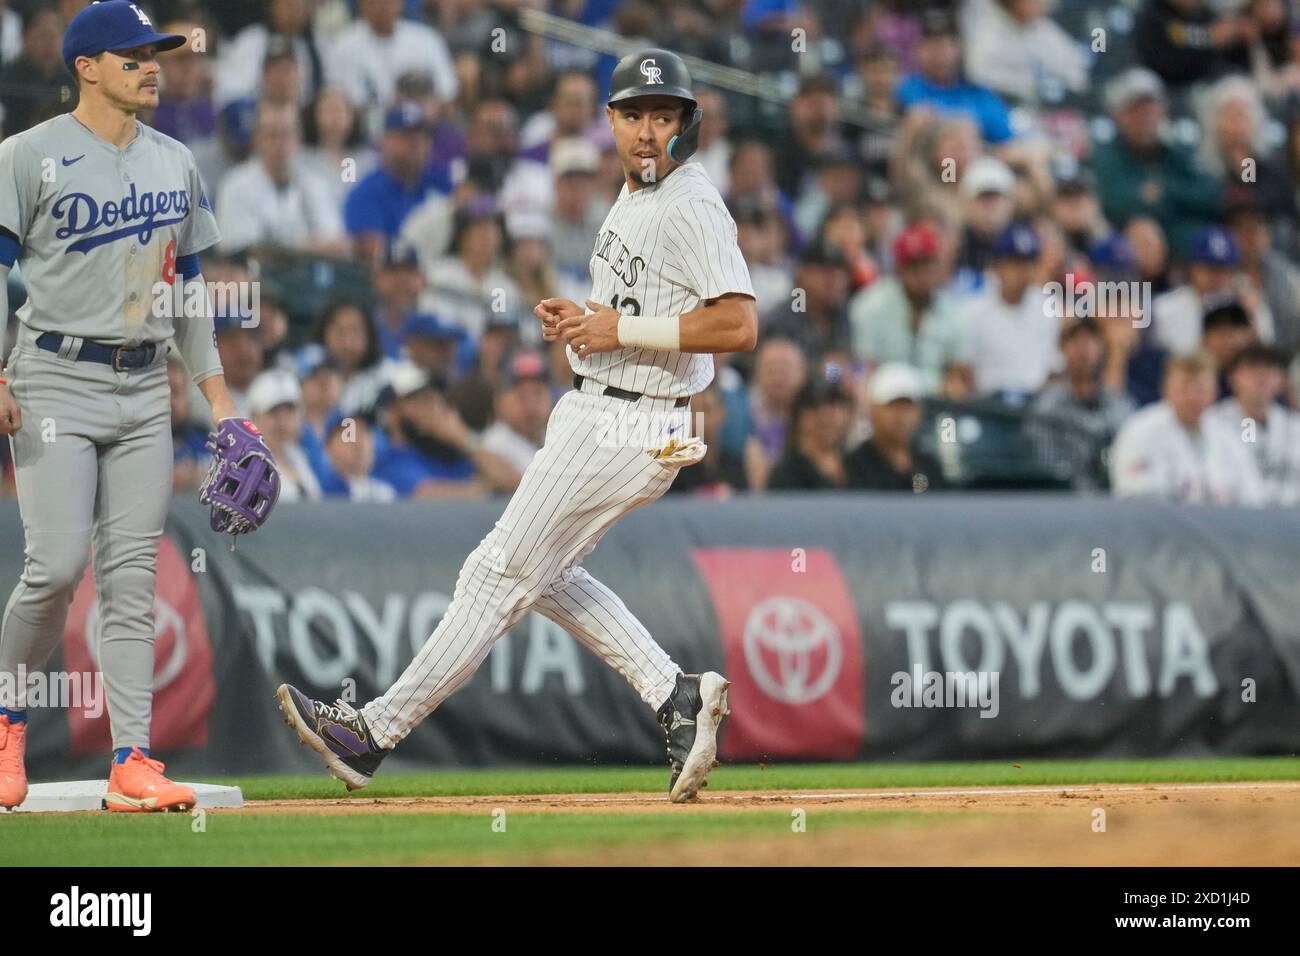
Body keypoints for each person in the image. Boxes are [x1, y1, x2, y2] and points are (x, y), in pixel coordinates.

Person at [277, 49, 756, 804]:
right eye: (634, 113)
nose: (648, 130)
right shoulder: (633, 197)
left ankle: (371, 734)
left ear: (686, 125)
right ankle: (676, 696)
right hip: (612, 405)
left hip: (632, 419)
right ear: (610, 121)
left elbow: (737, 324)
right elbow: (629, 314)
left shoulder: (689, 201)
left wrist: (621, 336)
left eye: (665, 116)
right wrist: (584, 321)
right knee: (543, 574)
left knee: (496, 572)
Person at [0, 3, 248, 812]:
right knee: (57, 568)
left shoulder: (176, 161)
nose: (153, 65)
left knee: (133, 580)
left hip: (145, 386)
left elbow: (187, 294)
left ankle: (132, 761)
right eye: (134, 54)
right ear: (86, 66)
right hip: (53, 377)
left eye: (157, 53)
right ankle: (7, 723)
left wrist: (221, 405)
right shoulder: (26, 156)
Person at [1110, 352, 1264, 504]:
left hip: (1223, 526)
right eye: (1184, 388)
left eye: (1200, 390)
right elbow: (1137, 498)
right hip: (1162, 526)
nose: (1192, 397)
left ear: (1214, 392)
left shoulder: (1227, 434)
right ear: (1166, 388)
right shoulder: (1140, 430)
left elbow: (1251, 498)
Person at [849, 222, 970, 393]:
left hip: (935, 402)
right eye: (913, 267)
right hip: (883, 400)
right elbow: (860, 366)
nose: (921, 275)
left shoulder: (953, 311)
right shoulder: (870, 304)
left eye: (927, 266)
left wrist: (953, 384)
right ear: (899, 268)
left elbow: (961, 371)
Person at [215, 102, 348, 256]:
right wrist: (307, 248)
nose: (281, 143)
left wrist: (286, 250)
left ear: (298, 139)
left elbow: (337, 245)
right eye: (272, 135)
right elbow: (242, 252)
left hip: (309, 277)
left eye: (287, 134)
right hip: (257, 278)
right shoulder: (235, 185)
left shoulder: (313, 183)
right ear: (257, 140)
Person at [1027, 318, 1136, 491]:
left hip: (1115, 498)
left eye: (1091, 339)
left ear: (1102, 347)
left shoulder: (1121, 405)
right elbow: (1048, 469)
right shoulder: (1047, 408)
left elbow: (1132, 460)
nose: (1083, 347)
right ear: (1063, 349)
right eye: (1075, 340)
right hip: (1066, 502)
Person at [964, 222, 1058, 402]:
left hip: (1034, 403)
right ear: (998, 267)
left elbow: (1053, 369)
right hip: (986, 403)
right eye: (1014, 264)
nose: (1021, 272)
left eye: (1027, 264)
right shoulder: (973, 310)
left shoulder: (1047, 307)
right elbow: (965, 371)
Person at [1210, 344, 1300, 505]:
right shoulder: (1212, 423)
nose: (1261, 376)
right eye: (1252, 368)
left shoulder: (1295, 425)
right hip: (1231, 521)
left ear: (1281, 378)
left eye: (1269, 368)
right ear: (1232, 377)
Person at [846, 363, 946, 493]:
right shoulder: (853, 467)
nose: (901, 416)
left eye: (907, 406)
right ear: (872, 409)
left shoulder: (928, 466)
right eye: (892, 406)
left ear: (919, 412)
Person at [767, 377, 853, 491]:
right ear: (798, 417)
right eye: (814, 407)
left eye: (833, 406)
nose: (825, 417)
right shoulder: (786, 474)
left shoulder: (858, 465)